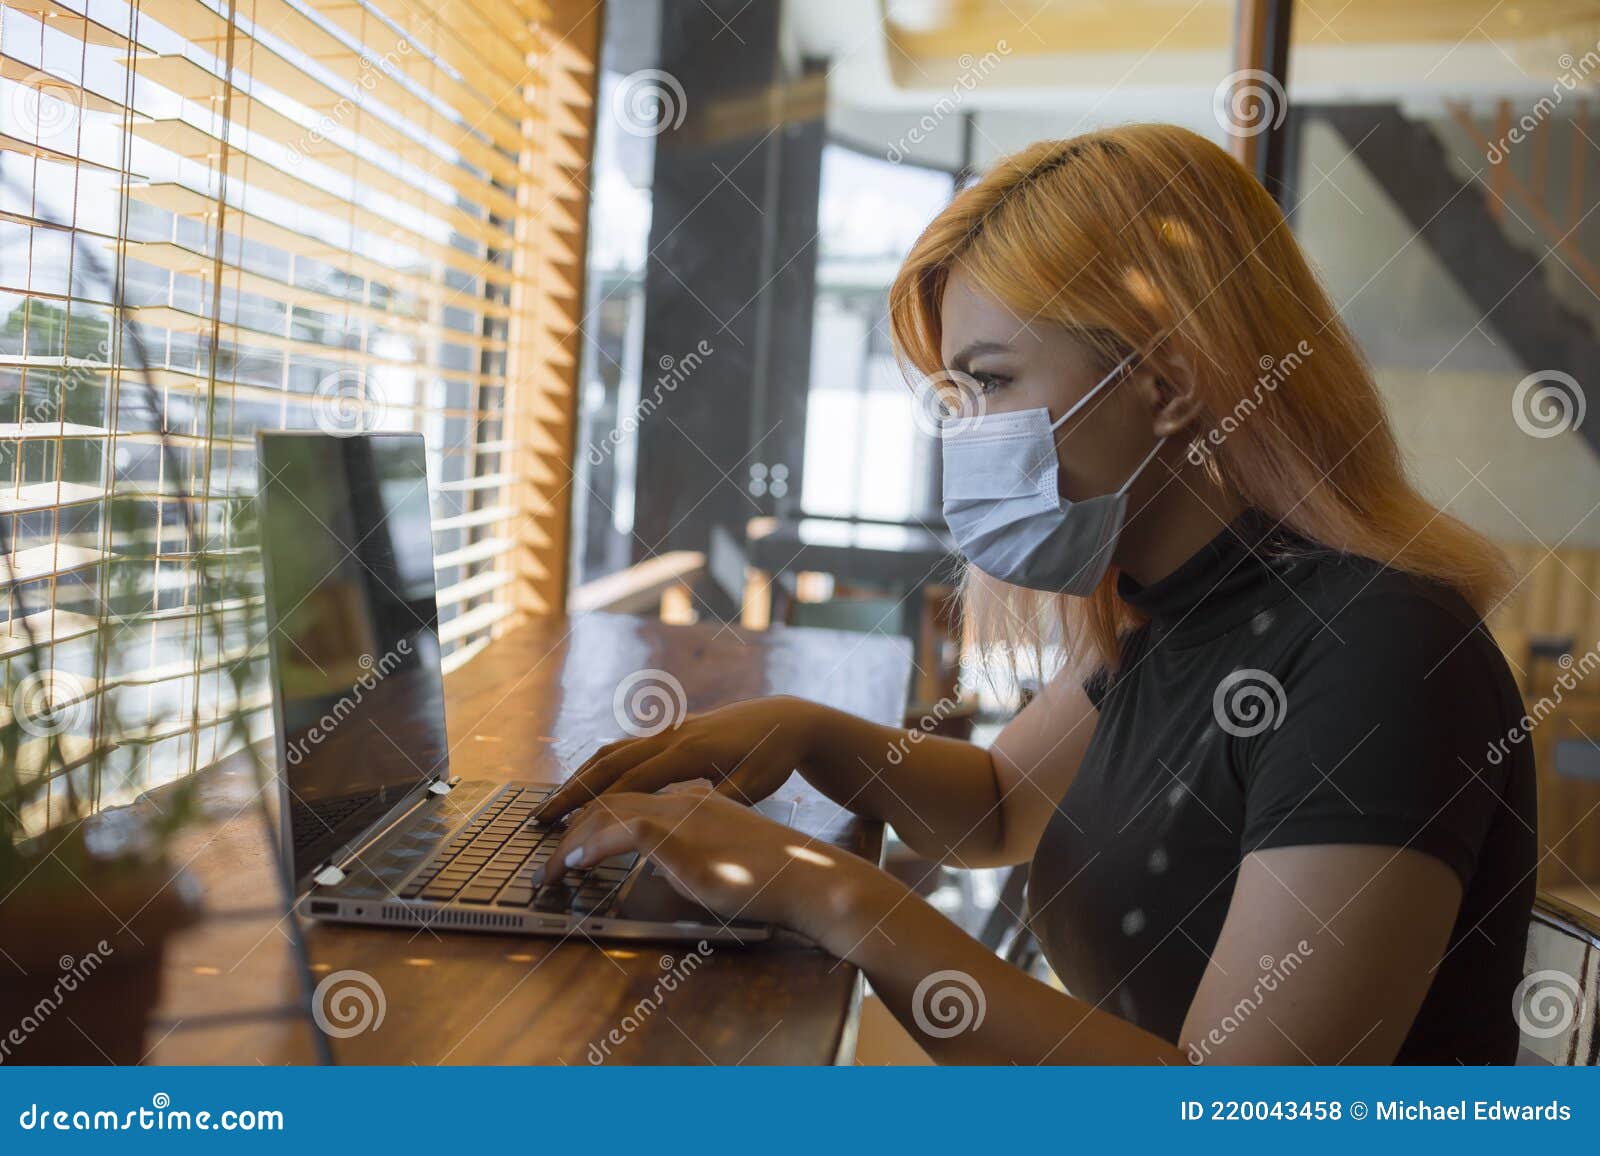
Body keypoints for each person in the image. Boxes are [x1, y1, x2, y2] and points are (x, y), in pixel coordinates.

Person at [534, 124, 1536, 1065]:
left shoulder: (1380, 656)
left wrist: (820, 889)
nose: (967, 433)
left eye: (992, 380)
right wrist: (799, 731)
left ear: (1169, 383)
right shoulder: (1175, 605)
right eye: (955, 397)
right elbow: (999, 807)